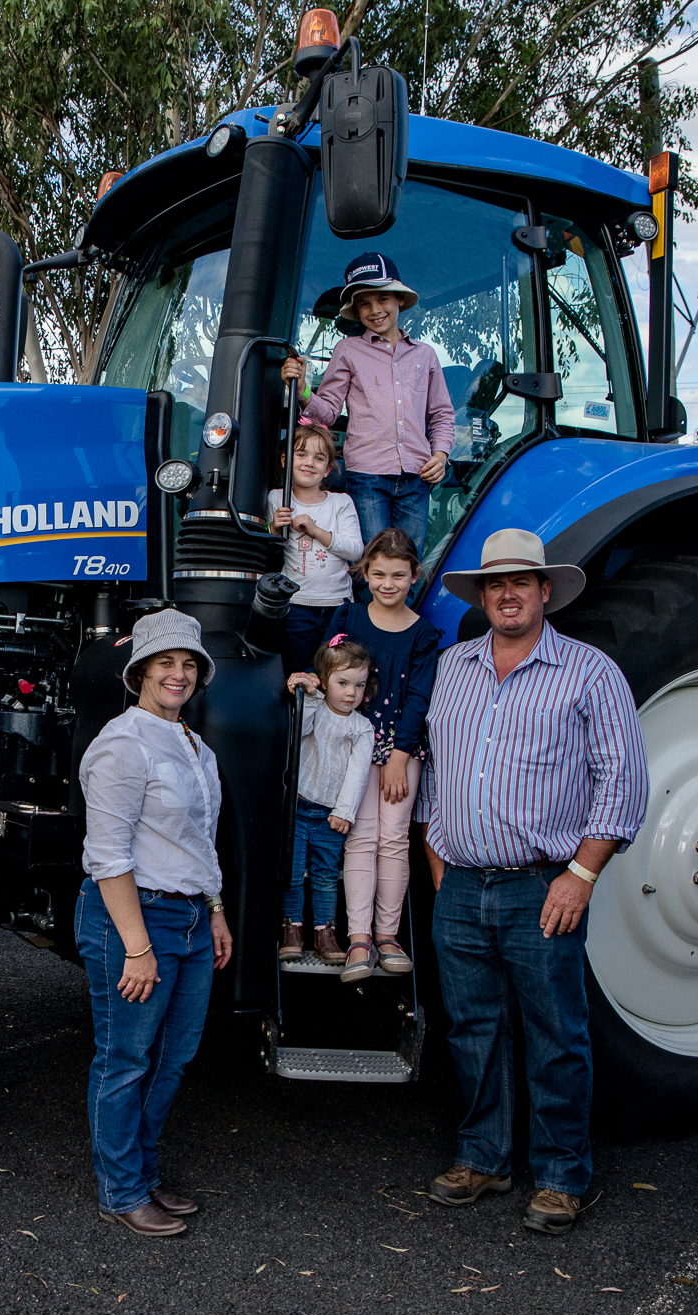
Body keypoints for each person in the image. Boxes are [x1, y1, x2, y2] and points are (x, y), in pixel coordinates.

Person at [419, 528, 648, 1236]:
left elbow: (623, 779)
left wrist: (581, 874)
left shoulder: (590, 672)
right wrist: (437, 853)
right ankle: (483, 1158)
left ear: (546, 590)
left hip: (541, 886)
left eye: (521, 581)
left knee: (556, 1034)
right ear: (483, 595)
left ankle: (559, 1175)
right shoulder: (453, 666)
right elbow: (435, 767)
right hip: (460, 885)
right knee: (472, 1031)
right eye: (496, 583)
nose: (508, 594)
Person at [76, 608, 235, 1238]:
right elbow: (107, 856)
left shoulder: (197, 747)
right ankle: (121, 1191)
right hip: (134, 918)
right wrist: (137, 947)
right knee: (125, 1059)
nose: (178, 674)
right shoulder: (122, 744)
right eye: (165, 662)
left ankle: (142, 1174)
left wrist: (215, 911)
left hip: (190, 917)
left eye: (188, 664)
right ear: (140, 671)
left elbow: (200, 842)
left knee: (173, 1057)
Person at [289, 529, 442, 983]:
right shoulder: (349, 616)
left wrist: (399, 757)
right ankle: (358, 937)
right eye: (378, 574)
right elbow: (324, 668)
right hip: (349, 744)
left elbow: (418, 698)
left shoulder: (423, 633)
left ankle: (387, 935)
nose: (388, 584)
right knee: (360, 837)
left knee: (393, 838)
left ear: (414, 576)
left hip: (399, 748)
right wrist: (305, 680)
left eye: (398, 575)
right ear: (365, 573)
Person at [279, 251, 455, 558]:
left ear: (399, 299)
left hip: (416, 476)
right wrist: (303, 389)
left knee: (408, 563)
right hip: (367, 476)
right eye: (364, 303)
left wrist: (440, 455)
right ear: (356, 309)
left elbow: (441, 414)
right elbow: (328, 413)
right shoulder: (347, 351)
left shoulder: (424, 355)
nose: (375, 310)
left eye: (382, 299)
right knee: (370, 560)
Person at [280, 639, 374, 964]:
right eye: (342, 683)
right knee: (293, 872)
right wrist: (308, 694)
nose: (351, 693)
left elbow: (358, 773)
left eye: (359, 685)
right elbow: (300, 730)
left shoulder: (361, 728)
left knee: (325, 876)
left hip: (330, 815)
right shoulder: (314, 709)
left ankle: (325, 933)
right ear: (324, 680)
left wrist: (344, 811)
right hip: (297, 808)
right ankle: (291, 928)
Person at [267, 426, 364, 676]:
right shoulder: (277, 499)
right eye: (301, 454)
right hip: (297, 605)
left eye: (319, 458)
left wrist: (315, 530)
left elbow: (356, 550)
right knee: (300, 673)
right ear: (285, 460)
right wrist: (274, 528)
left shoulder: (340, 502)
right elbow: (265, 550)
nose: (309, 463)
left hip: (338, 606)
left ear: (328, 469)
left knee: (335, 672)